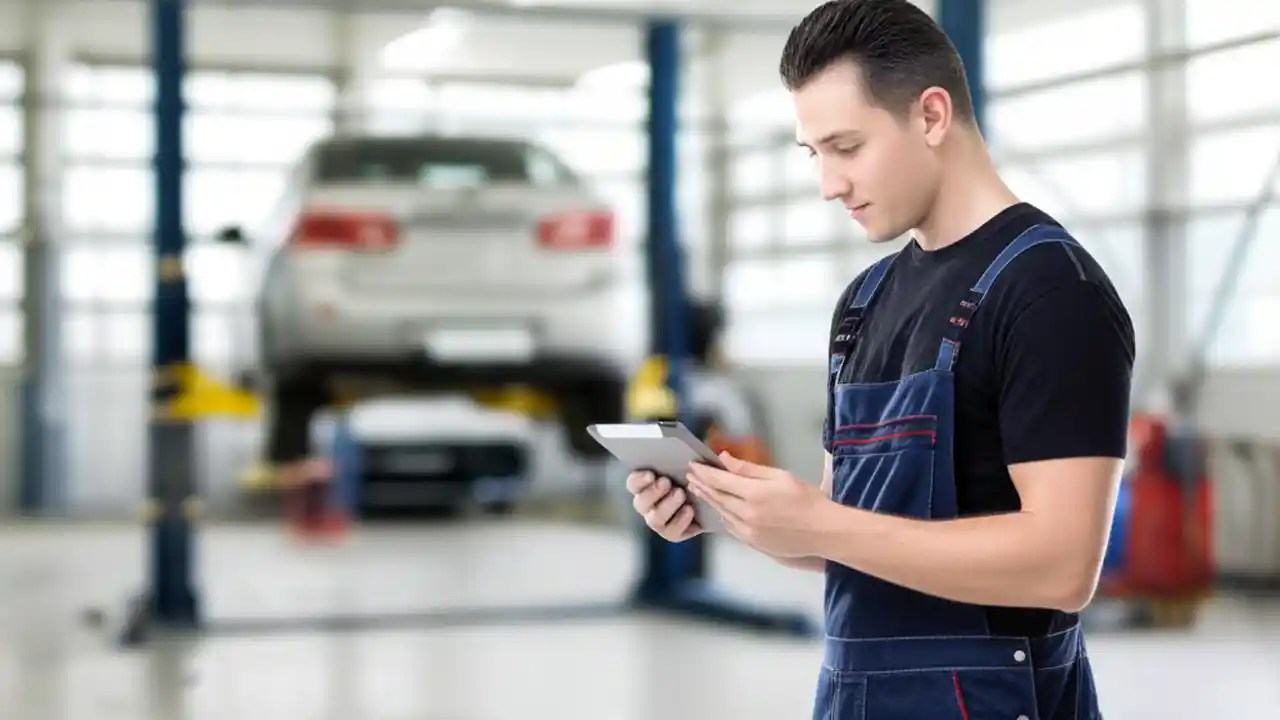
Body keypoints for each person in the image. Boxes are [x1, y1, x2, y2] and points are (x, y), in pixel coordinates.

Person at [624, 1, 1134, 718]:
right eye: (814, 155)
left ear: (930, 116)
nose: (828, 184)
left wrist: (821, 522)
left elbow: (1062, 565)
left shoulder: (1050, 293)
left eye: (847, 147)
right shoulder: (864, 302)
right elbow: (852, 536)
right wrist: (729, 512)